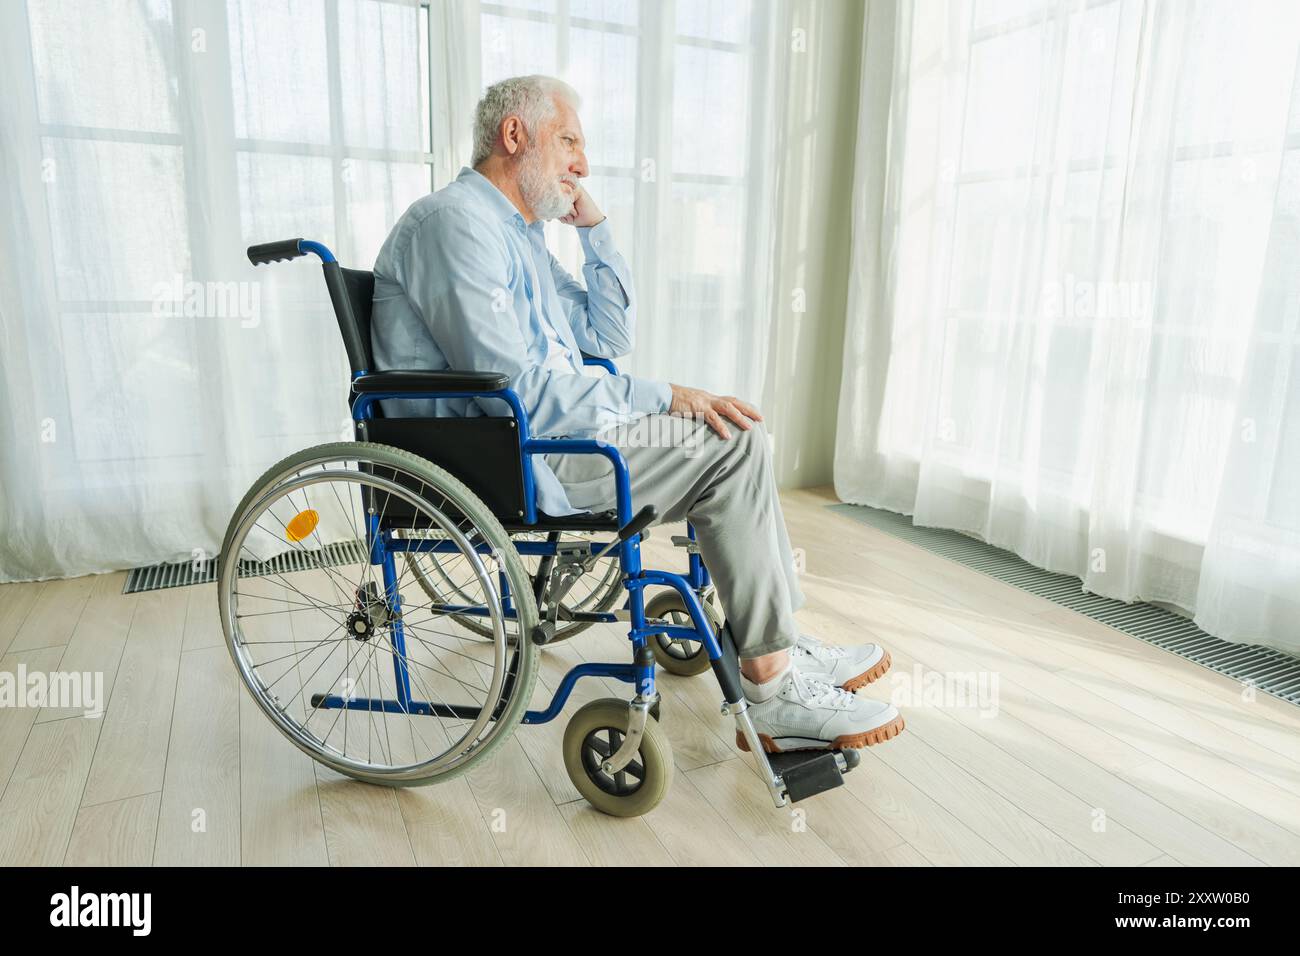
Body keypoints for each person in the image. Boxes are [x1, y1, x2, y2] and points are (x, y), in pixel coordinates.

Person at [371, 75, 904, 752]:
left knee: (736, 430)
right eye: (568, 141)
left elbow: (607, 337)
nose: (581, 163)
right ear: (515, 136)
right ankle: (770, 685)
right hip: (511, 458)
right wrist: (668, 396)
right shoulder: (455, 226)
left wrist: (594, 230)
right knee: (728, 443)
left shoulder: (519, 237)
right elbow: (522, 393)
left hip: (559, 437)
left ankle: (779, 642)